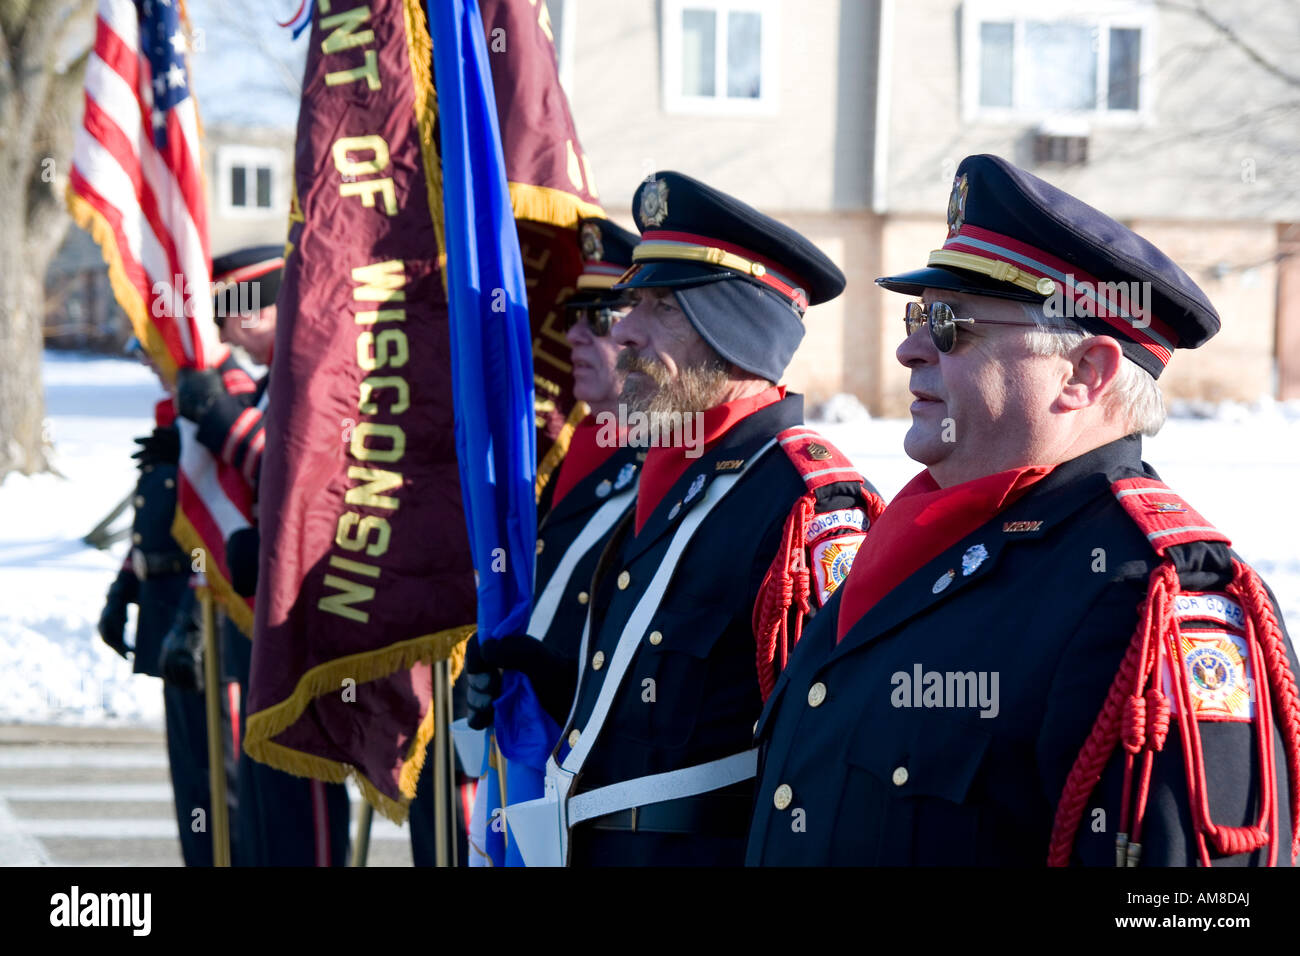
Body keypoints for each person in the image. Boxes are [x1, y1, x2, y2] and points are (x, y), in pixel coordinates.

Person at [746, 153, 1300, 867]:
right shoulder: (922, 544)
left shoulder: (1149, 600)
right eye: (920, 316)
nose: (910, 347)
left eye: (952, 324)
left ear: (1083, 374)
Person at [499, 172, 884, 866]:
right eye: (632, 304)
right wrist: (554, 680)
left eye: (660, 308)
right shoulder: (668, 468)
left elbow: (829, 762)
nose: (625, 333)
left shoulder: (806, 503)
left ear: (735, 329)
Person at [172, 245, 351, 866]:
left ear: (258, 311)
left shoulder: (319, 372)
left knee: (299, 805)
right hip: (267, 611)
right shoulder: (281, 379)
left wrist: (226, 423)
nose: (224, 335)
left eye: (229, 317)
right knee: (267, 804)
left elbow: (305, 479)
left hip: (309, 618)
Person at [97, 339, 238, 865]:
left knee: (223, 778)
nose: (145, 361)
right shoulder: (173, 422)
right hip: (167, 612)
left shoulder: (217, 413)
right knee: (192, 777)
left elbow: (220, 528)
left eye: (152, 351)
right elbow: (156, 521)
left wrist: (194, 621)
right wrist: (124, 589)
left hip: (204, 616)